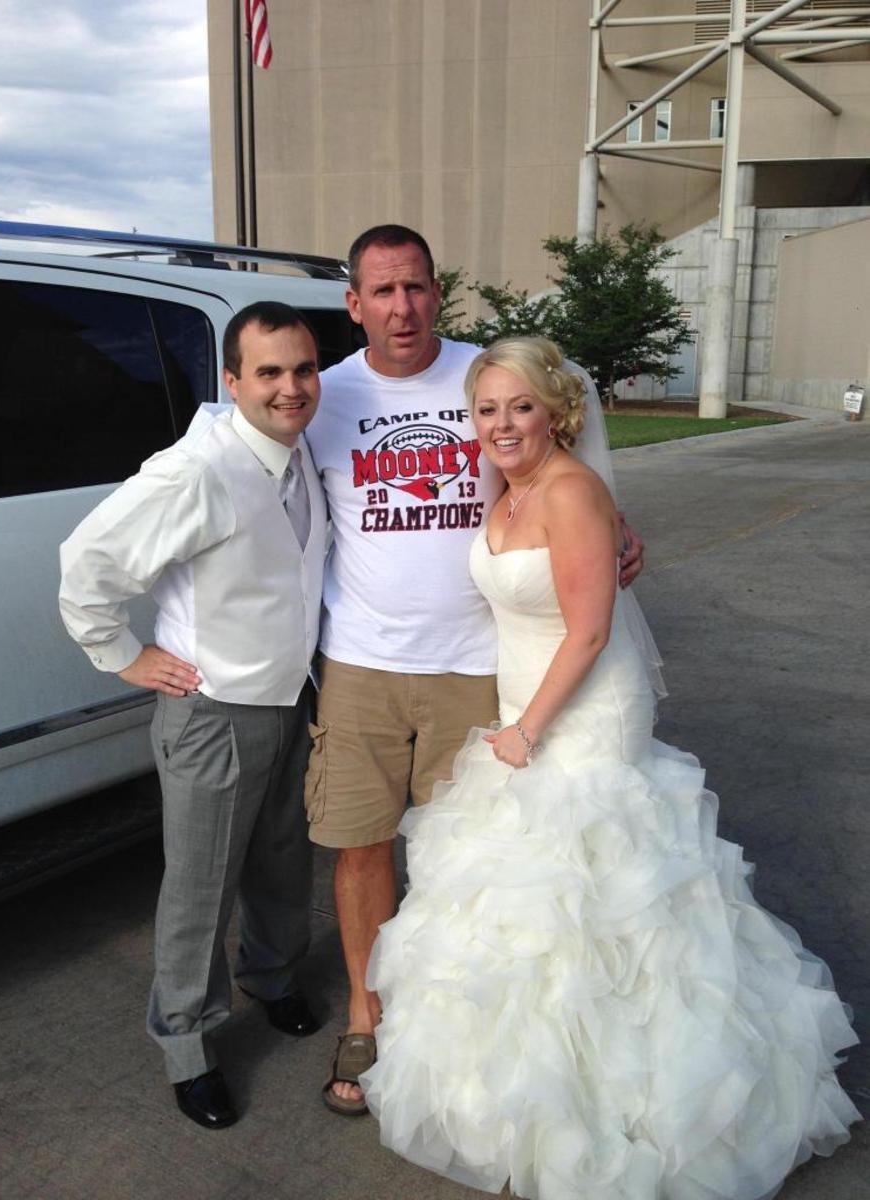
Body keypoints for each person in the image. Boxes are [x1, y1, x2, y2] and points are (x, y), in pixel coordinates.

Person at [360, 336, 860, 1198]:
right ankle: (524, 1090)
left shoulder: (572, 489)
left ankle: (632, 1108)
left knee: (599, 884)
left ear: (558, 411)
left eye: (521, 406)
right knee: (528, 893)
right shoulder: (504, 487)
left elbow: (590, 630)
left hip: (583, 712)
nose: (503, 423)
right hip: (526, 700)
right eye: (487, 409)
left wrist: (528, 732)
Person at [304, 225, 645, 1114]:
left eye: (416, 287)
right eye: (381, 292)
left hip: (478, 666)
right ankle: (367, 1011)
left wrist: (611, 527)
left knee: (467, 863)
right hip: (362, 662)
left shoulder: (483, 376)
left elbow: (556, 473)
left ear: (437, 291)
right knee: (361, 846)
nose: (402, 307)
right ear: (354, 304)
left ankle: (443, 1018)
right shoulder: (325, 396)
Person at [59, 302, 326, 1129]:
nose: (291, 388)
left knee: (283, 864)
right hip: (213, 713)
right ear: (232, 380)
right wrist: (123, 655)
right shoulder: (198, 469)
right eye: (270, 373)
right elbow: (87, 564)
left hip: (288, 699)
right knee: (201, 888)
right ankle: (186, 1040)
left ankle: (273, 979)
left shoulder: (294, 445)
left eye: (303, 369)